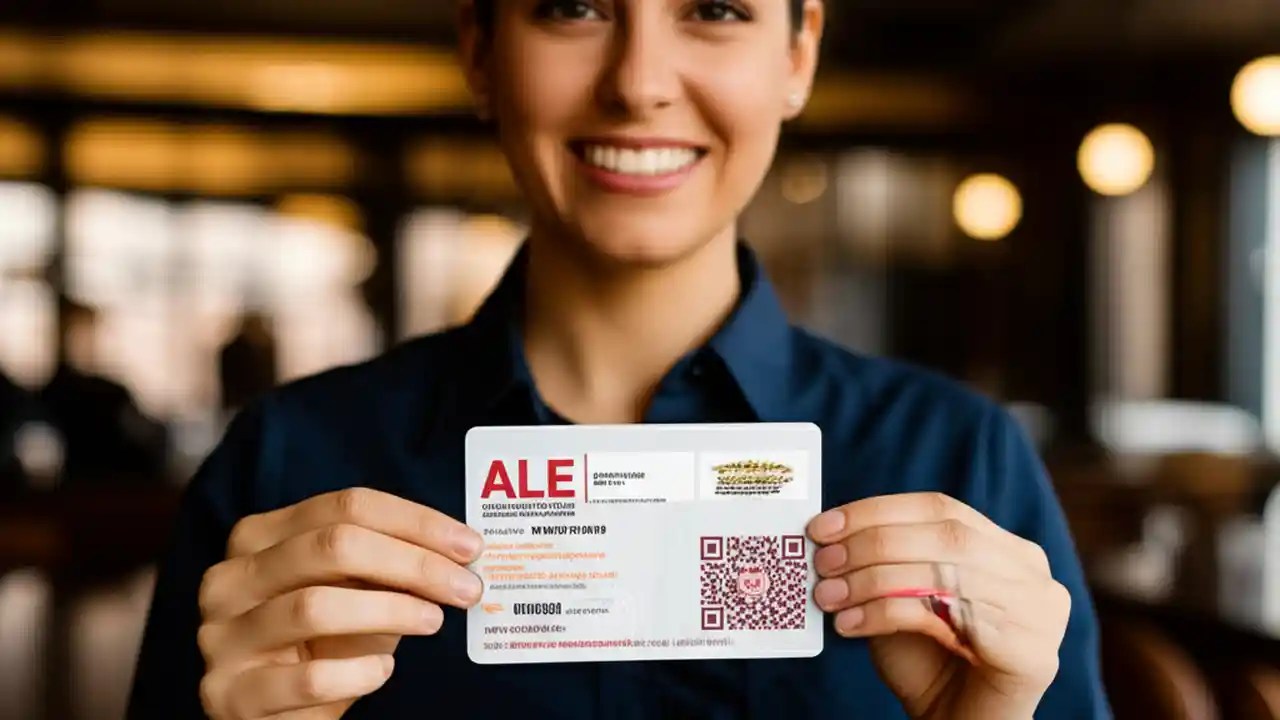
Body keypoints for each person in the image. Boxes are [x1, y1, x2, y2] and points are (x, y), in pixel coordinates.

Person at [128, 1, 1112, 718]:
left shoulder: (959, 458)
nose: (638, 82)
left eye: (715, 10)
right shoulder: (285, 464)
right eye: (573, 7)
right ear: (480, 50)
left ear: (797, 55)